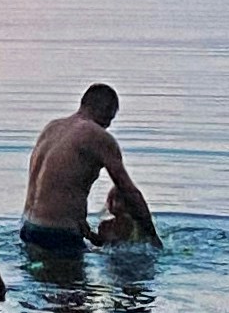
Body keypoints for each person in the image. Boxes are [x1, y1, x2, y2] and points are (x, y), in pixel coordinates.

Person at [21, 82, 158, 259]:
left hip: (28, 228)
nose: (108, 125)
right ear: (109, 110)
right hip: (59, 234)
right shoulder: (97, 136)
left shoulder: (52, 128)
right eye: (111, 118)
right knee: (77, 286)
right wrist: (152, 236)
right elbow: (128, 190)